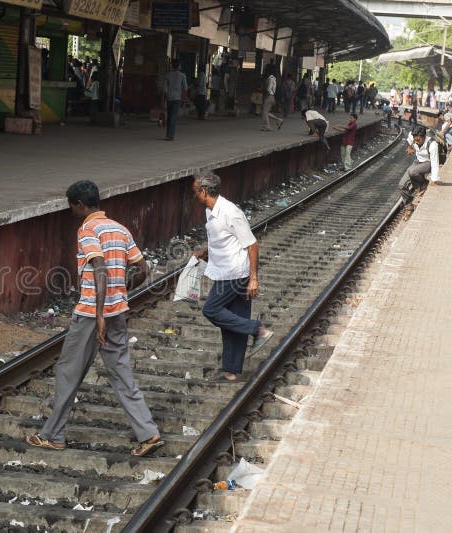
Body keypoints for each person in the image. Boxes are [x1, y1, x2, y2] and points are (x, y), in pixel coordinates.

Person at [26, 180, 164, 457]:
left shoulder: (88, 230)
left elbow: (99, 268)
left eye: (71, 206)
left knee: (68, 371)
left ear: (79, 204)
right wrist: (121, 292)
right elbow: (143, 269)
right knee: (121, 372)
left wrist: (100, 313)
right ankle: (148, 433)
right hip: (117, 312)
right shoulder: (120, 228)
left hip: (92, 313)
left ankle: (53, 435)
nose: (71, 212)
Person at [191, 172, 274, 381]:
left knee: (211, 310)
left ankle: (258, 330)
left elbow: (252, 244)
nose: (194, 195)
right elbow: (225, 240)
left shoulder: (231, 212)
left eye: (196, 192)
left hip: (235, 273)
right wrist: (206, 252)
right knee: (234, 321)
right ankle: (231, 371)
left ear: (204, 191)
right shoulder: (211, 211)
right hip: (225, 270)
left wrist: (253, 278)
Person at [398, 126, 440, 207]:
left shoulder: (432, 144)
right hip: (417, 162)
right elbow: (410, 140)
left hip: (428, 162)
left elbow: (435, 162)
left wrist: (433, 180)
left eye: (418, 140)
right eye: (415, 139)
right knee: (401, 185)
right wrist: (410, 147)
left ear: (424, 137)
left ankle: (423, 184)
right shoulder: (412, 137)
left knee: (412, 172)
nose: (416, 142)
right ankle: (409, 206)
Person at [163, 59, 187, 140]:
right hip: (177, 98)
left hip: (169, 98)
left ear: (172, 66)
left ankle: (168, 134)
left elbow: (164, 89)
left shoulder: (168, 75)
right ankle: (170, 135)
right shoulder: (182, 76)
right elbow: (185, 88)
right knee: (173, 117)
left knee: (169, 116)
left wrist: (163, 99)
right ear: (179, 66)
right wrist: (184, 99)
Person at [261, 66, 283, 131]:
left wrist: (266, 92)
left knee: (265, 112)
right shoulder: (273, 78)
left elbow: (269, 88)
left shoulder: (270, 79)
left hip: (269, 96)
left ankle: (267, 126)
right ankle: (278, 120)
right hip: (272, 97)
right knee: (266, 112)